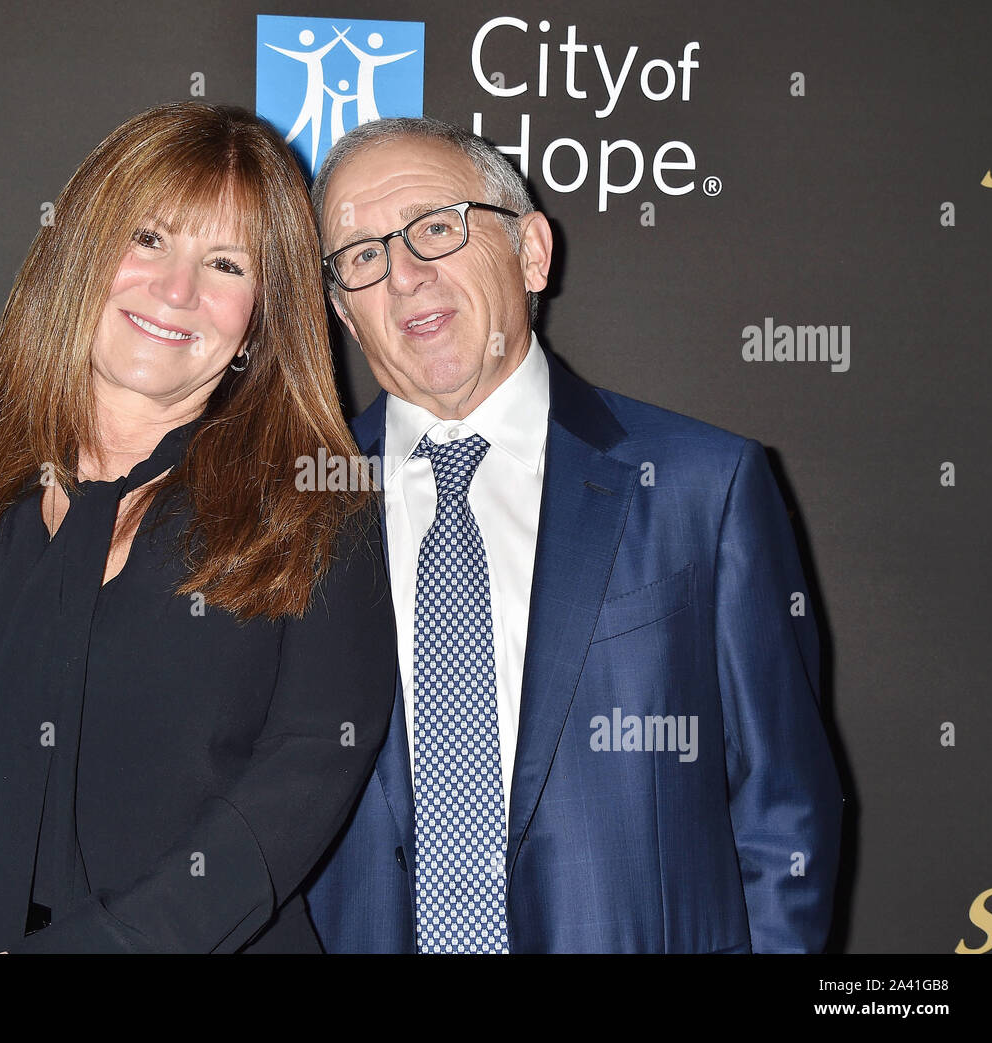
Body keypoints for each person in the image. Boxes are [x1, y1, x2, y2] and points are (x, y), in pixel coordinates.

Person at [0, 102, 396, 954]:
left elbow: (294, 789)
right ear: (80, 249)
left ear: (260, 317)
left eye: (225, 263)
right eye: (147, 238)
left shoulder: (320, 512)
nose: (176, 290)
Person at [304, 116, 844, 953]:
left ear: (532, 254)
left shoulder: (706, 486)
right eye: (363, 256)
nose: (404, 275)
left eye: (436, 228)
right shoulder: (287, 514)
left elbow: (785, 807)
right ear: (341, 308)